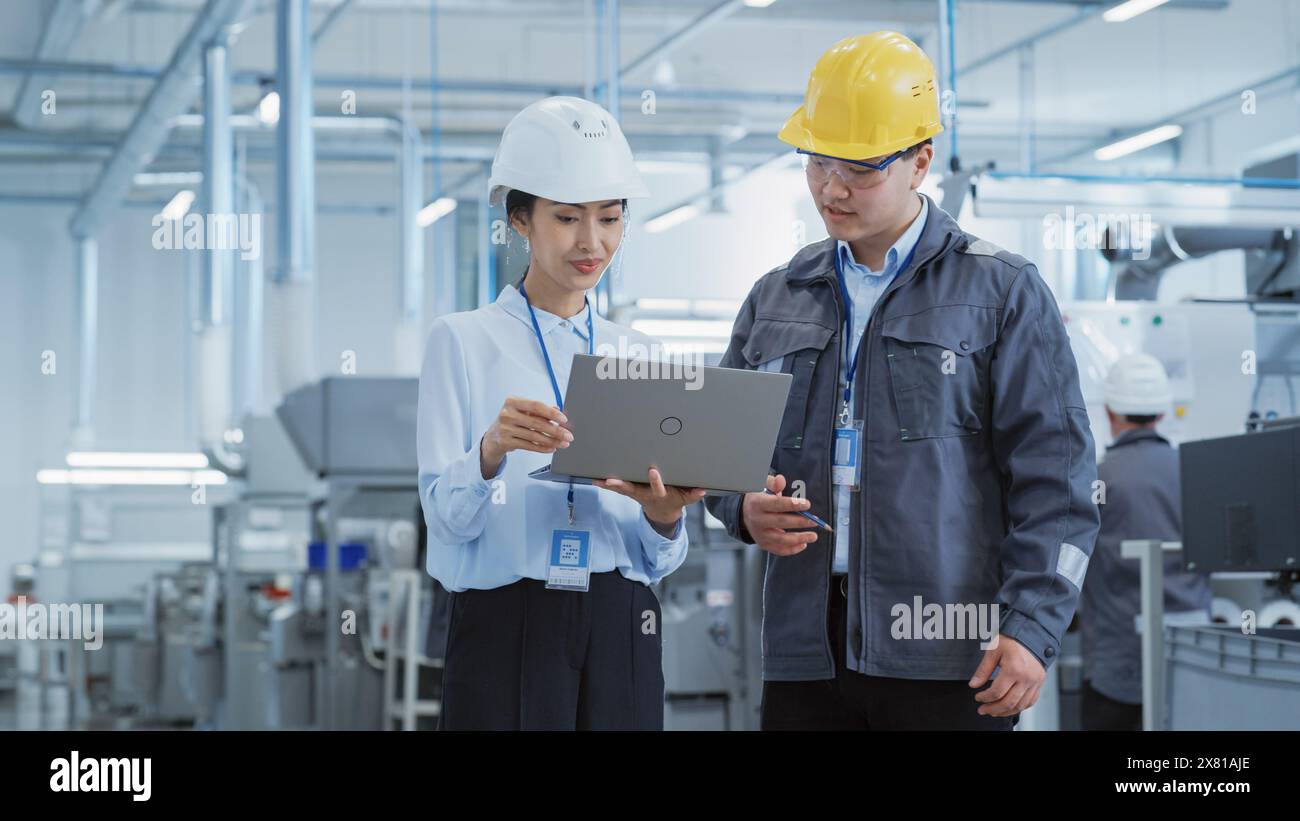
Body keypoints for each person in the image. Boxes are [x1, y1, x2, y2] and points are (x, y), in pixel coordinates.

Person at [704, 31, 1100, 730]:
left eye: (859, 167)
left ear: (920, 162)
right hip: (806, 652)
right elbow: (713, 455)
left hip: (950, 651)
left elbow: (1060, 484)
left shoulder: (1002, 292)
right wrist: (740, 507)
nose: (831, 186)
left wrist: (1033, 624)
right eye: (818, 160)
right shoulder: (777, 296)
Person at [417, 96, 707, 730]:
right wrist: (489, 454)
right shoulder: (462, 341)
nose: (592, 242)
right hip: (505, 622)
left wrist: (663, 519)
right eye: (568, 218)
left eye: (609, 219)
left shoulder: (640, 354)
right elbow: (444, 520)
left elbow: (654, 558)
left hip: (621, 623)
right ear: (520, 220)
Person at [1079, 353, 1211, 731]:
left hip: (1115, 661)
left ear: (1109, 412)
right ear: (1162, 413)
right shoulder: (1198, 473)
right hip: (1193, 661)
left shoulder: (1096, 480)